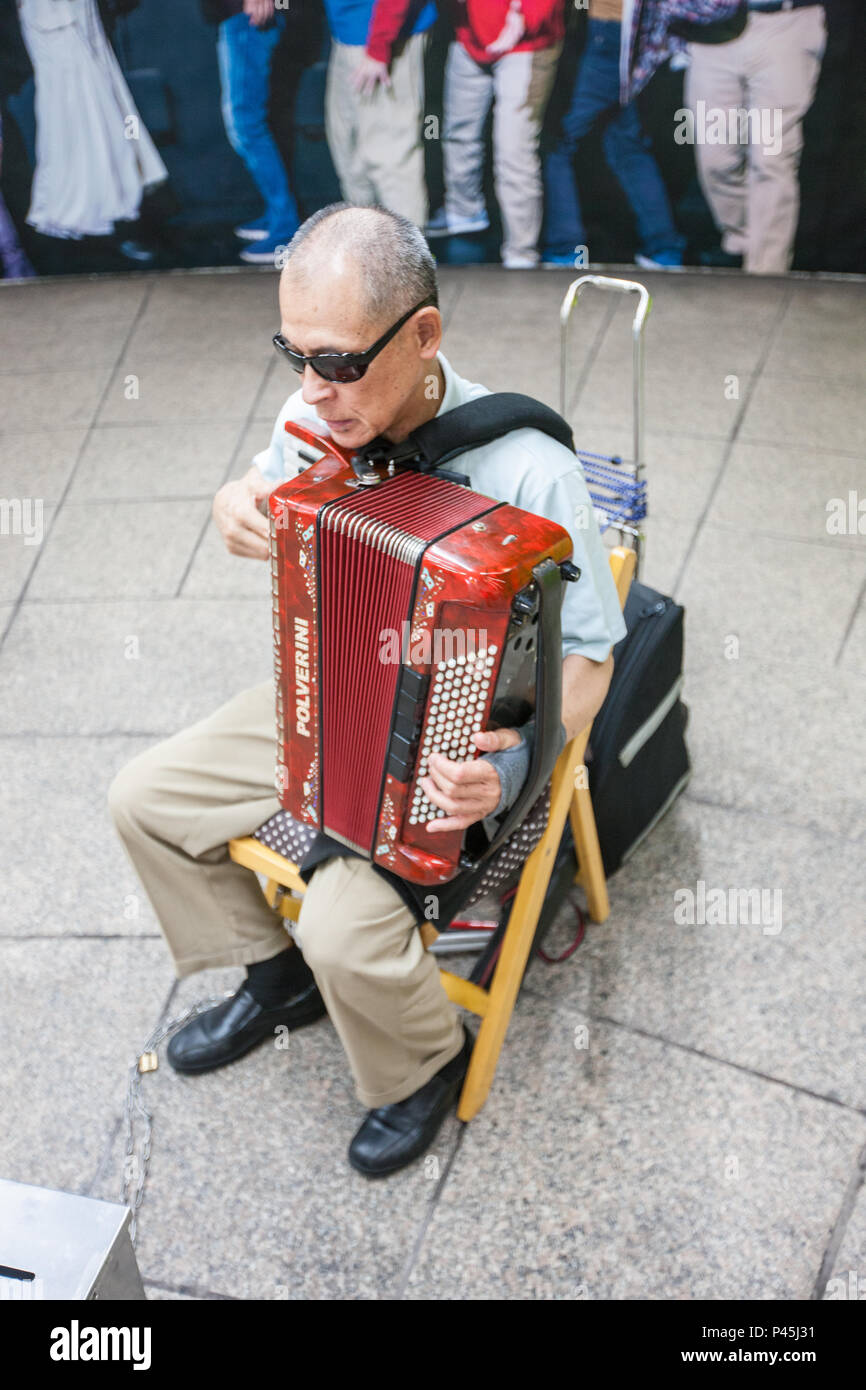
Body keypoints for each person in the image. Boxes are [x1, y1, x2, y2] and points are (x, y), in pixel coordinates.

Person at [108, 203, 626, 1178]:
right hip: (328, 696)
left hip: (465, 745)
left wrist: (513, 759)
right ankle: (279, 977)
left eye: (339, 361)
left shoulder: (530, 471)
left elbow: (590, 656)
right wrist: (231, 499)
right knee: (144, 800)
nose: (314, 389)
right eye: (293, 354)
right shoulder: (310, 424)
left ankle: (421, 1062)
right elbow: (260, 488)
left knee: (345, 923)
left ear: (423, 335)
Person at [684, 1, 827, 273]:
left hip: (784, 25)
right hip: (713, 31)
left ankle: (766, 274)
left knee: (771, 158)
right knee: (716, 160)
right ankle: (744, 239)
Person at [541, 0, 685, 269]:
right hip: (641, 36)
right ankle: (664, 249)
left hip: (607, 33)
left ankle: (565, 250)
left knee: (558, 142)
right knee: (626, 143)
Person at [426, 0, 565, 267]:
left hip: (527, 42)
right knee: (458, 134)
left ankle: (521, 253)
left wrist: (526, 17)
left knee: (514, 150)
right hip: (470, 38)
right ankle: (464, 212)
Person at [15, 0, 167, 243]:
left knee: (97, 98)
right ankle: (100, 198)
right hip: (54, 16)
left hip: (65, 15)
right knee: (75, 104)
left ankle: (112, 194)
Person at [203, 0, 301, 265]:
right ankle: (277, 215)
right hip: (238, 14)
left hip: (249, 15)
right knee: (246, 123)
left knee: (246, 124)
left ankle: (286, 227)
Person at [322, 0, 435, 227]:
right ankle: (368, 247)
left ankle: (405, 260)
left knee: (390, 160)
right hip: (349, 31)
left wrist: (378, 46)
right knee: (350, 153)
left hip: (383, 35)